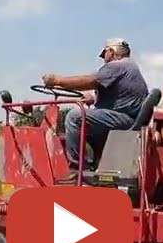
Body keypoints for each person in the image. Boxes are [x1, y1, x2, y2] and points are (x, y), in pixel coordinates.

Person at [41, 37, 150, 181]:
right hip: (125, 118)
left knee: (75, 117)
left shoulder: (117, 66)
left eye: (104, 54)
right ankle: (93, 165)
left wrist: (57, 81)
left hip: (123, 119)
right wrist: (92, 98)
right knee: (87, 124)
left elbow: (92, 81)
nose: (104, 58)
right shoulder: (130, 67)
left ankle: (76, 171)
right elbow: (115, 94)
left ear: (111, 51)